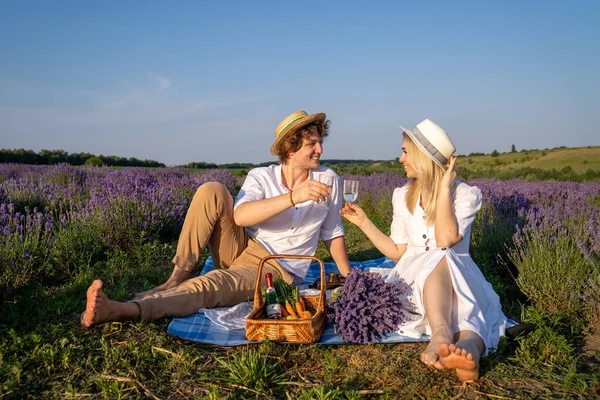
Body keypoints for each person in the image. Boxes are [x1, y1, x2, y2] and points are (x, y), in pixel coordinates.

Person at [81, 110, 351, 327]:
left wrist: (349, 278)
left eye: (320, 142)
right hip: (243, 247)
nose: (320, 150)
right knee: (212, 190)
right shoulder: (262, 175)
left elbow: (332, 232)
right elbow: (241, 216)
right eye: (312, 144)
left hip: (276, 268)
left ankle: (125, 310)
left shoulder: (329, 179)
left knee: (211, 284)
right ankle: (178, 274)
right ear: (290, 149)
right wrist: (294, 196)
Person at [340, 119, 507, 382]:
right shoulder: (402, 195)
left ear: (423, 157)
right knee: (450, 277)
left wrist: (443, 190)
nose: (400, 158)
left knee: (452, 275)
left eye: (406, 151)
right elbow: (398, 252)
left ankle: (465, 349)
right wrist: (364, 223)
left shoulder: (464, 195)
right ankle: (455, 339)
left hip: (458, 272)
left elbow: (445, 239)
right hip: (415, 273)